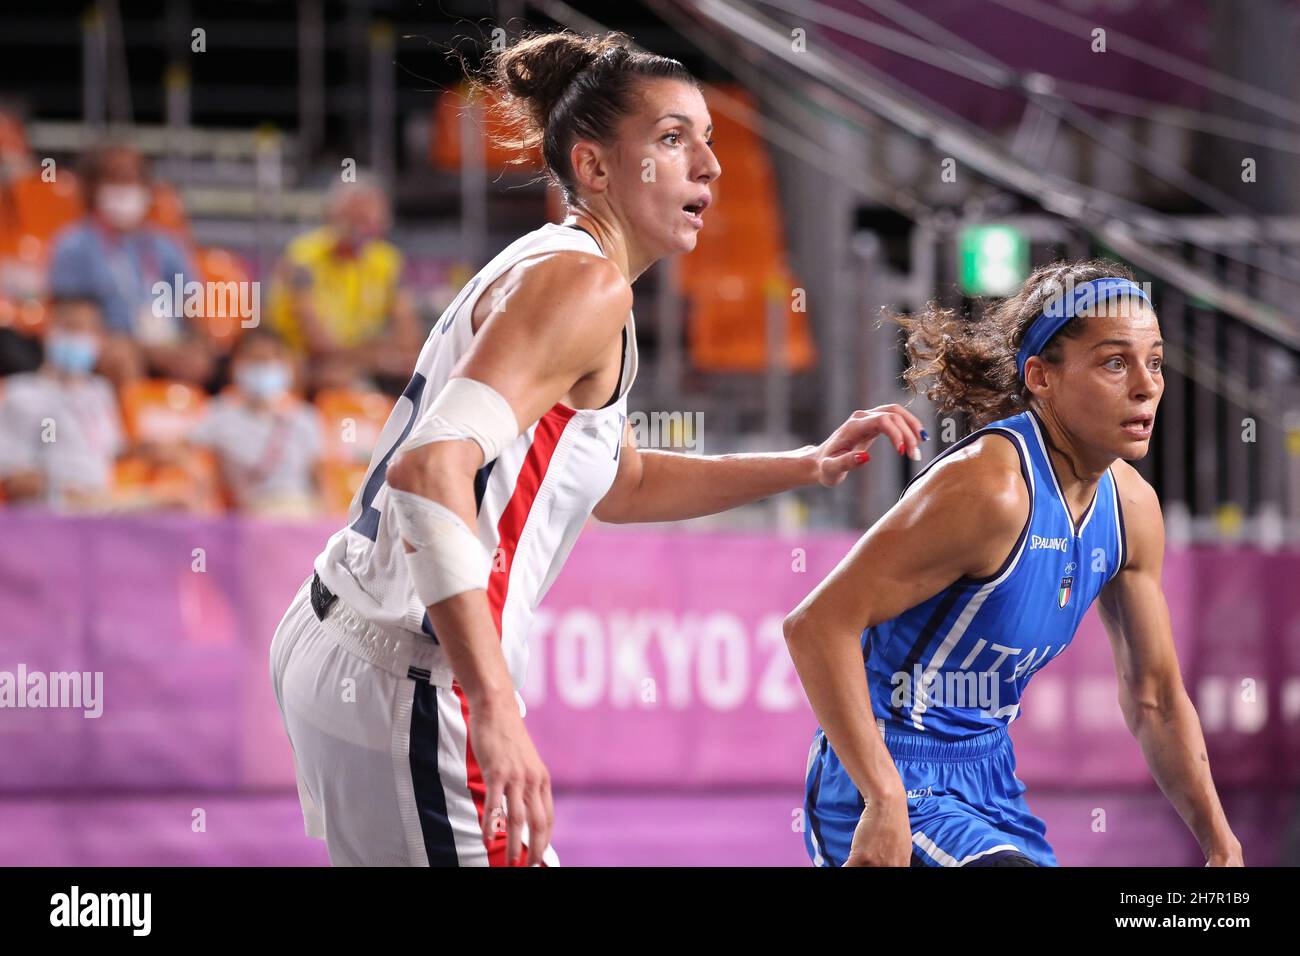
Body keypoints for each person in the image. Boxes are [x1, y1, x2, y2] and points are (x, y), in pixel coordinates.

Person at [269, 29, 926, 868]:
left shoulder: (560, 270)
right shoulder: (587, 284)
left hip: (354, 636)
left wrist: (805, 464)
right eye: (673, 138)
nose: (711, 167)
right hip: (415, 676)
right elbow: (429, 470)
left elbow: (623, 480)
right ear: (595, 167)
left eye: (710, 139)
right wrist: (495, 705)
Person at [785, 260, 1244, 867]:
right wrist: (884, 796)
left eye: (1154, 361)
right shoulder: (991, 488)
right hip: (884, 773)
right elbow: (816, 625)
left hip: (989, 777)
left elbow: (1155, 697)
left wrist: (1220, 844)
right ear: (1041, 377)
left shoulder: (1132, 508)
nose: (1146, 385)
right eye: (1114, 362)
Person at [46, 144, 213, 388]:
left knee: (197, 360)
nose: (125, 187)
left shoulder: (165, 245)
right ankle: (128, 423)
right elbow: (74, 319)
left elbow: (192, 309)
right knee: (121, 358)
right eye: (115, 179)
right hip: (110, 343)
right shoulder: (75, 244)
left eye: (132, 178)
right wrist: (142, 347)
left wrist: (197, 345)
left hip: (165, 339)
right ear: (93, 187)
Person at [266, 175, 421, 396]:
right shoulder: (302, 257)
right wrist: (378, 357)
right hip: (307, 360)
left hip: (360, 360)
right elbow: (319, 343)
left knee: (418, 368)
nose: (363, 229)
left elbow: (408, 334)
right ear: (332, 216)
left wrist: (380, 358)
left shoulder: (388, 261)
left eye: (370, 222)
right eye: (354, 219)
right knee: (333, 375)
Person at [0, 297, 124, 510]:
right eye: (70, 327)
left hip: (103, 510)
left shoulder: (101, 392)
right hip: (50, 516)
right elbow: (14, 479)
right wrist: (64, 494)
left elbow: (113, 453)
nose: (78, 337)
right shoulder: (23, 394)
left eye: (87, 331)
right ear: (49, 333)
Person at [188, 330, 323, 518]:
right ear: (236, 365)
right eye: (255, 360)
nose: (262, 367)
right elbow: (188, 450)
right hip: (251, 515)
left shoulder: (305, 417)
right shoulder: (217, 414)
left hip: (303, 511)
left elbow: (320, 476)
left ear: (287, 366)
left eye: (269, 361)